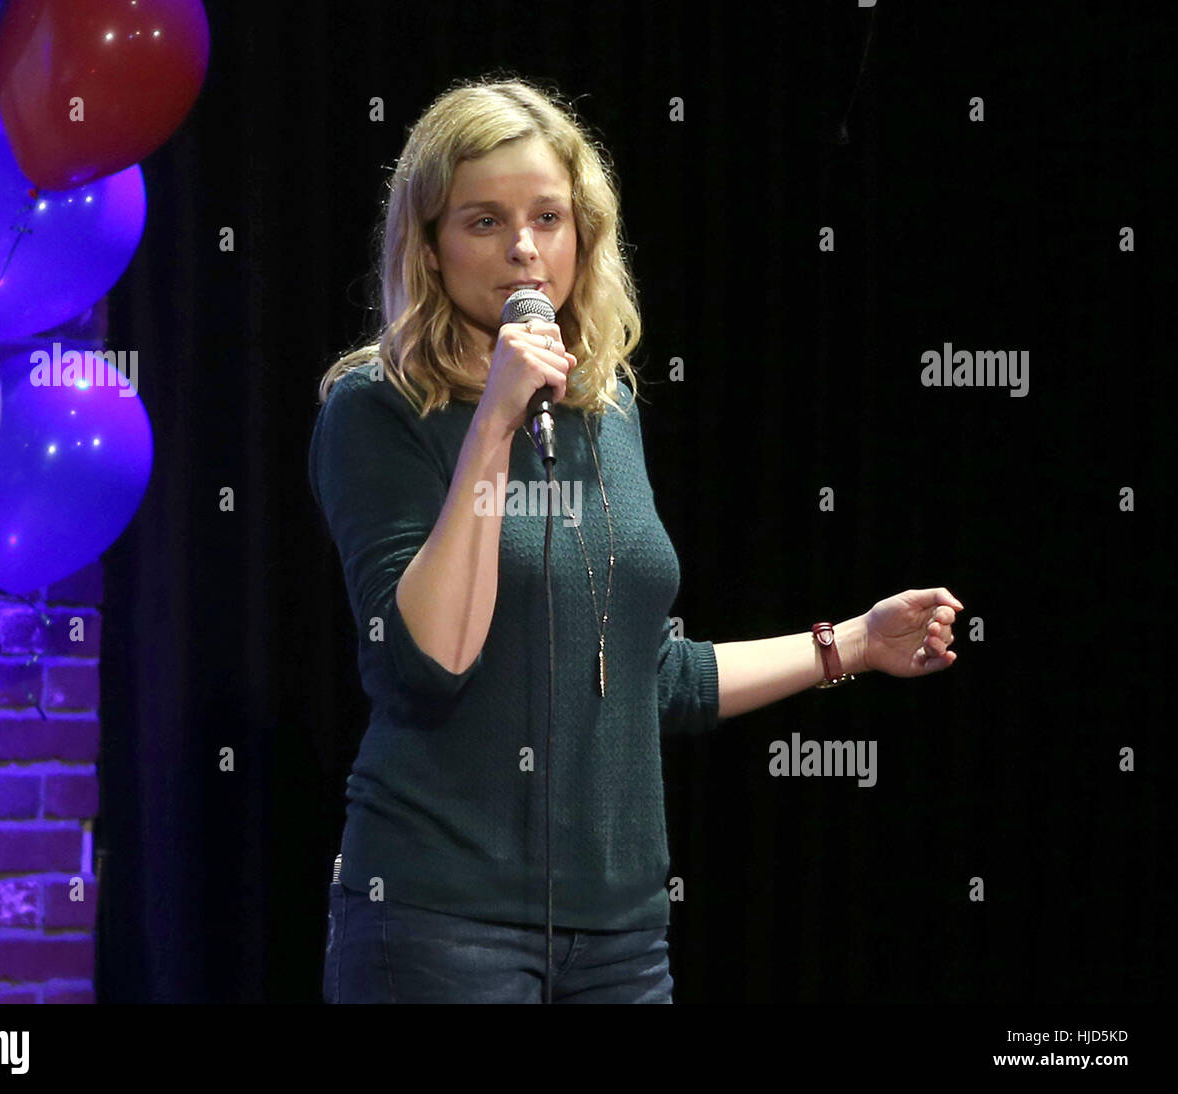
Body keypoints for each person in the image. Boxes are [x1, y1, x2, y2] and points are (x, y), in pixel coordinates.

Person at [308, 75, 962, 1004]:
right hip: (438, 923)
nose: (525, 249)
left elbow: (646, 677)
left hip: (620, 938)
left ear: (584, 236)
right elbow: (431, 661)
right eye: (484, 221)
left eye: (548, 217)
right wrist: (492, 421)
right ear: (430, 242)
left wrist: (851, 643)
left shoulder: (604, 408)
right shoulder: (378, 409)